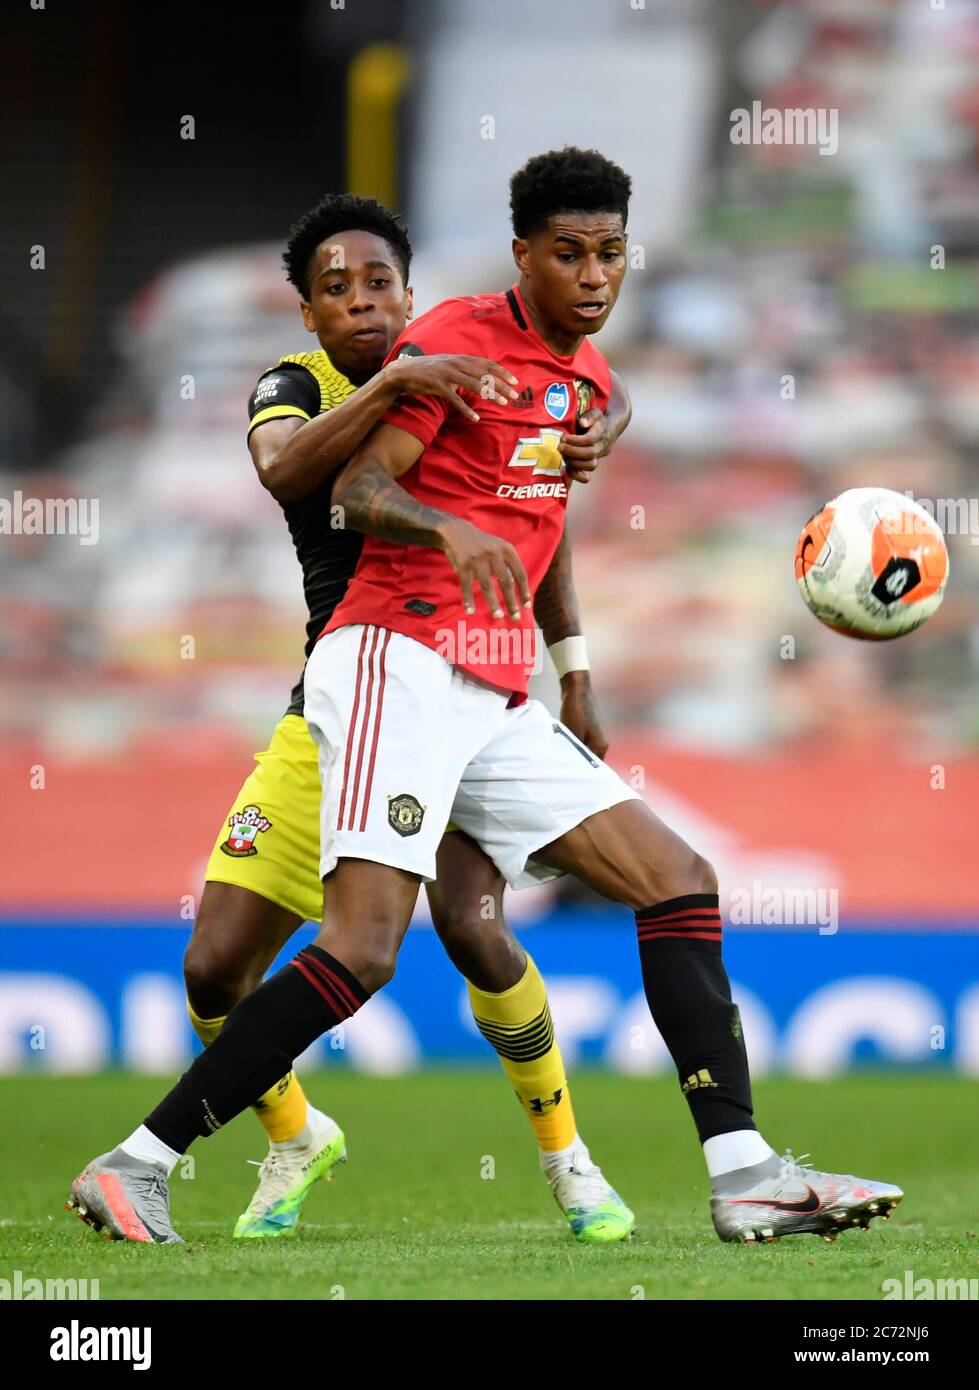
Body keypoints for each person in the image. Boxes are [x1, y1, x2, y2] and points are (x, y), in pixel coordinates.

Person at [69, 149, 902, 1247]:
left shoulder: (592, 384)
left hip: (498, 688)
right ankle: (137, 1162)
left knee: (677, 879)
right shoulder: (452, 340)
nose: (594, 274)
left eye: (609, 252)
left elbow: (543, 520)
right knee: (364, 949)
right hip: (392, 657)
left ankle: (743, 1170)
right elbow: (359, 491)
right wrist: (444, 527)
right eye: (569, 253)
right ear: (523, 256)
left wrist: (576, 674)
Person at [70, 192, 635, 1245]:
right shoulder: (299, 388)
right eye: (335, 289)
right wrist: (406, 381)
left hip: (452, 690)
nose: (361, 302)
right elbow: (285, 468)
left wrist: (577, 672)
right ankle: (293, 1132)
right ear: (308, 315)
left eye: (378, 282)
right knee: (210, 967)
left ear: (411, 293)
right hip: (334, 698)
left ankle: (571, 1164)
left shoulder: (469, 368)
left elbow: (537, 526)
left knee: (474, 928)